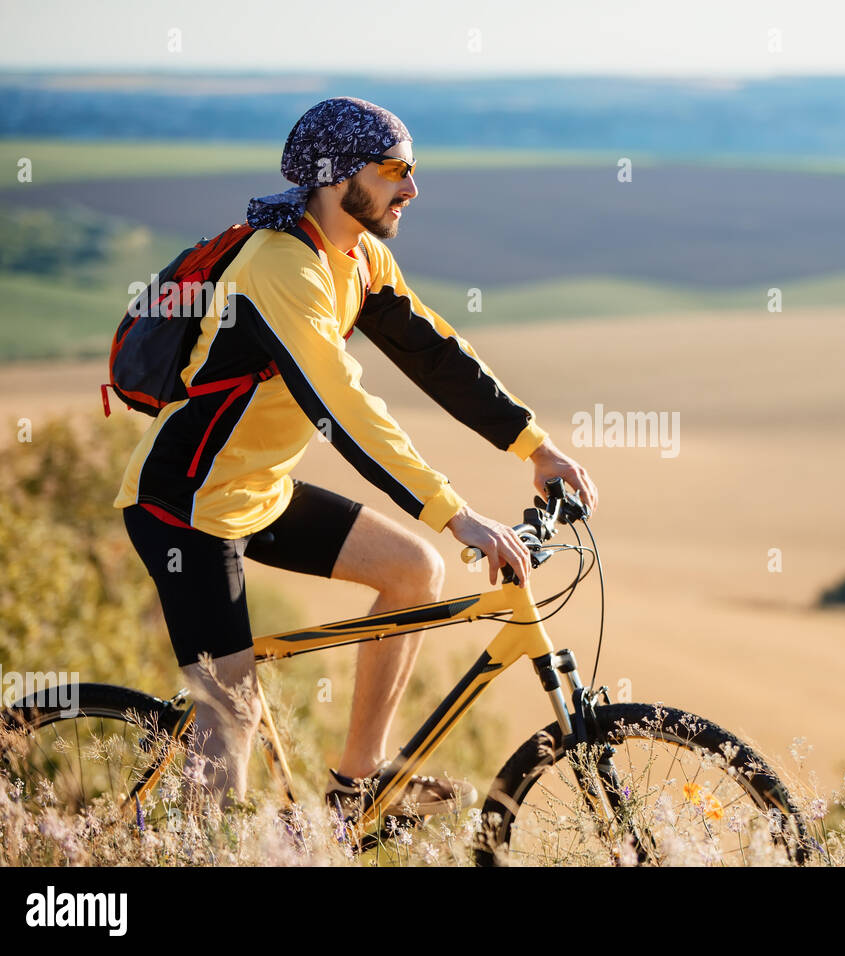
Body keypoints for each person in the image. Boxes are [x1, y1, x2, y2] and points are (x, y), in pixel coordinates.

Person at [114, 96, 599, 822]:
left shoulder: (358, 255)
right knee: (231, 717)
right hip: (184, 509)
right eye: (396, 170)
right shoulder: (281, 268)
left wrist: (536, 445)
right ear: (340, 176)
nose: (411, 188)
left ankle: (355, 786)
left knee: (413, 572)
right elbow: (345, 409)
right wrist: (455, 515)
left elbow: (434, 355)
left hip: (260, 492)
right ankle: (195, 849)